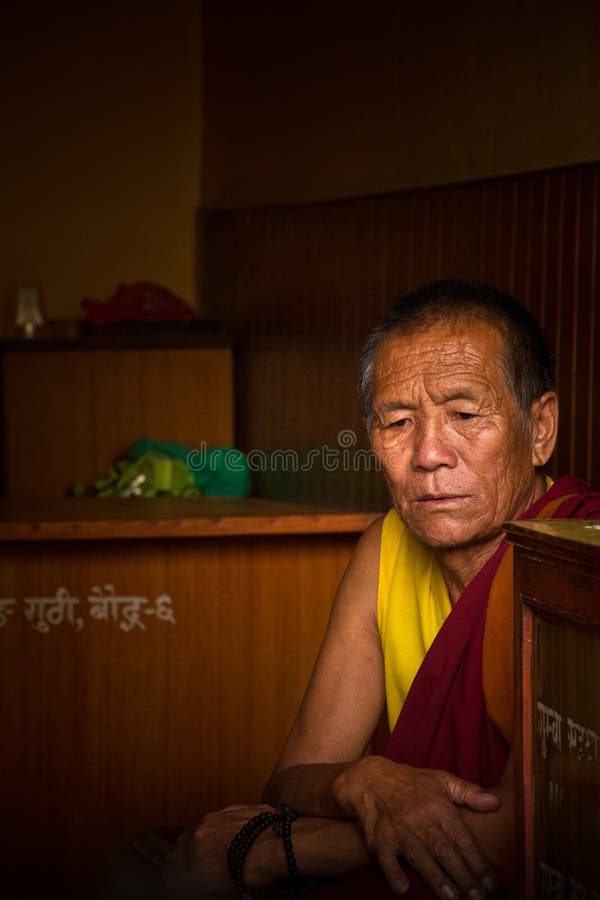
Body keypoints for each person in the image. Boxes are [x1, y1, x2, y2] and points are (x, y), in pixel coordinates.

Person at [162, 280, 600, 900]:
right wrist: (365, 782)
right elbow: (294, 778)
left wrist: (281, 850)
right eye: (397, 422)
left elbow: (536, 835)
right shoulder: (386, 548)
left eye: (465, 415)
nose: (427, 454)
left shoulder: (578, 564)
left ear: (540, 429)